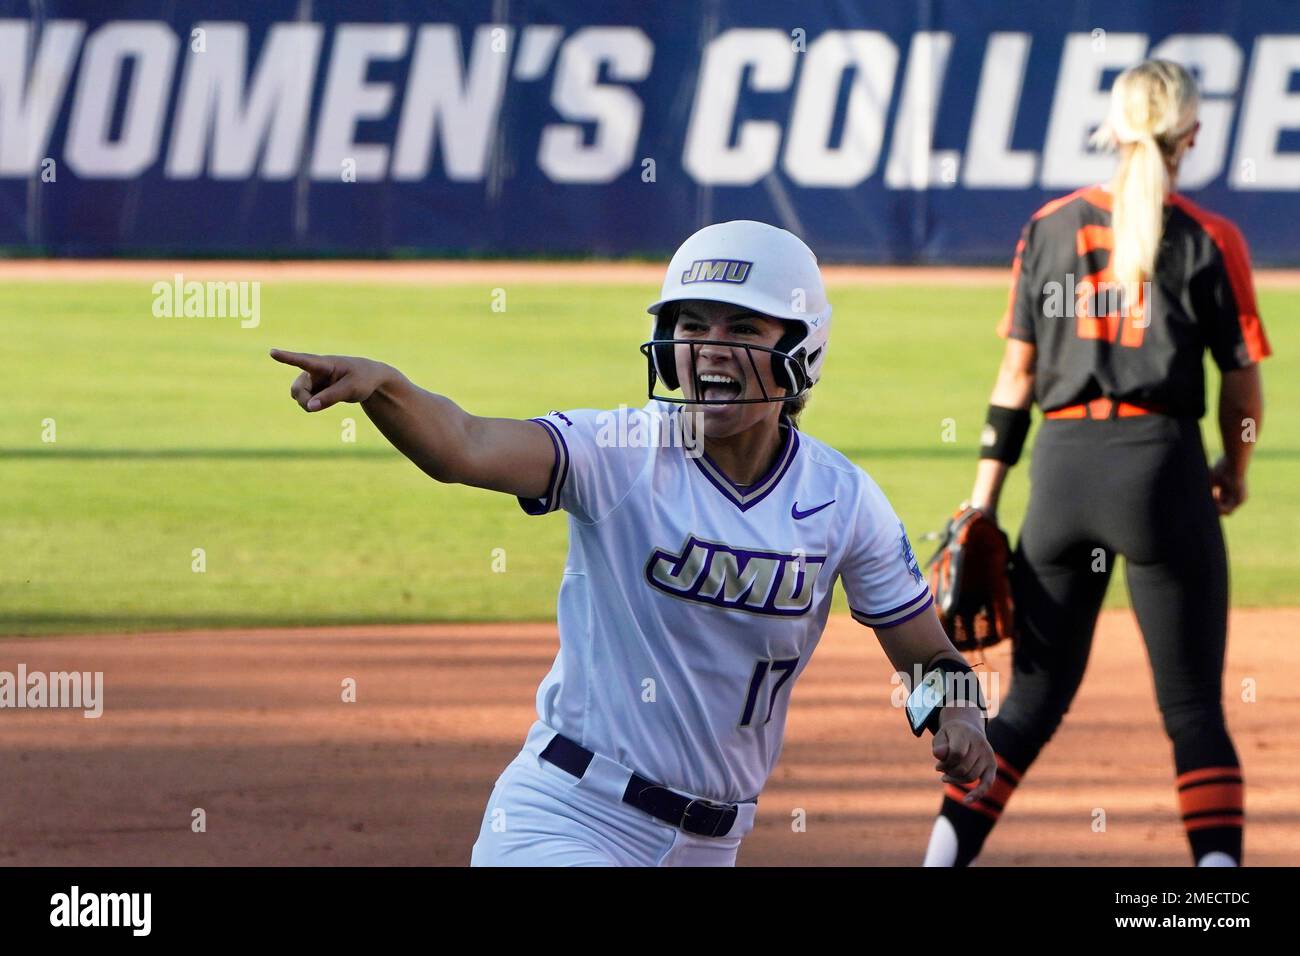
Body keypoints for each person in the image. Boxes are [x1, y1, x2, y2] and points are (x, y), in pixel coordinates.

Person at [271, 220, 994, 867]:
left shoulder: (844, 501)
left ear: (802, 351)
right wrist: (385, 389)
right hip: (565, 818)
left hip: (713, 845)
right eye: (690, 326)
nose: (708, 350)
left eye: (742, 328)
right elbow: (466, 444)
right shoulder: (621, 450)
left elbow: (929, 658)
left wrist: (957, 713)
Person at [923, 60, 1269, 868]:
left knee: (1031, 702)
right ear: (1192, 135)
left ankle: (939, 862)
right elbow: (1243, 385)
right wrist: (1235, 468)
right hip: (1163, 469)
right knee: (1192, 712)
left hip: (1062, 478)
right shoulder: (1211, 238)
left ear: (1110, 130)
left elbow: (1014, 379)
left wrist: (982, 503)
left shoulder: (1048, 227)